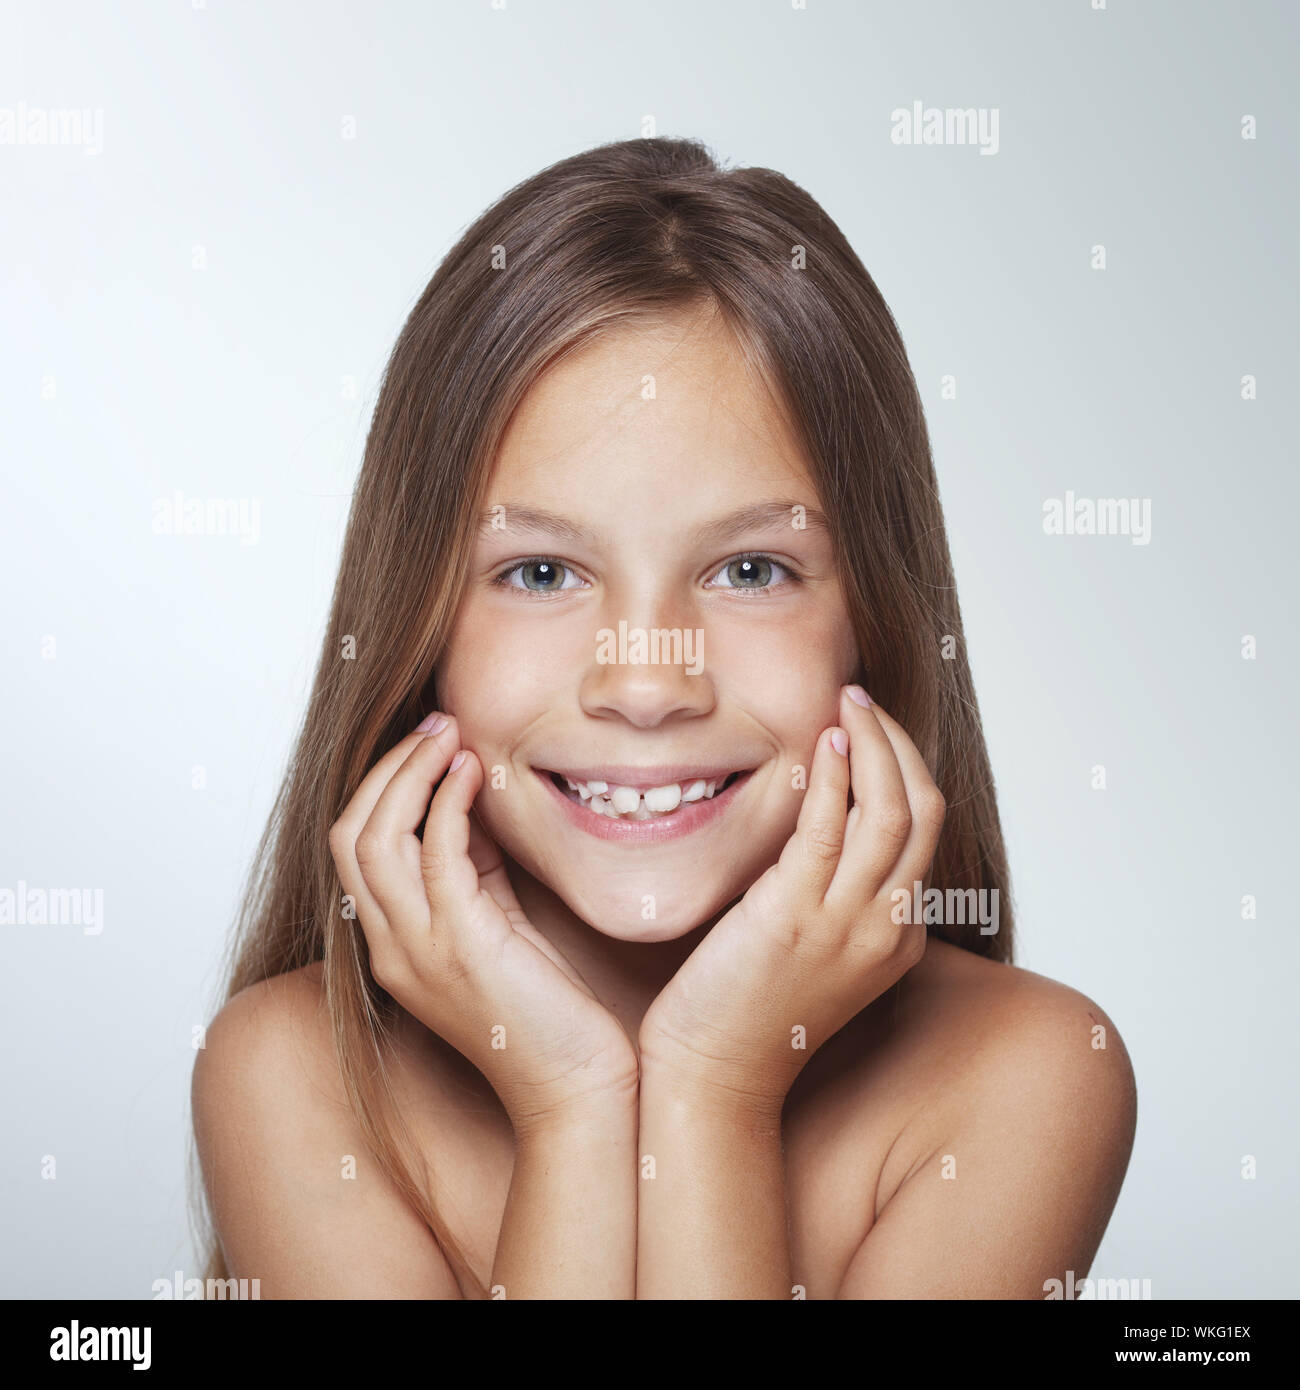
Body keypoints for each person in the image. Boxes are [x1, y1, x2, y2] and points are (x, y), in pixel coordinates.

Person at [192, 136, 1136, 1299]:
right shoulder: (292, 1072)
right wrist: (572, 1104)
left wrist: (712, 1085)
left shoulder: (1032, 1074)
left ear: (875, 625)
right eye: (540, 573)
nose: (646, 684)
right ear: (420, 633)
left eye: (749, 570)